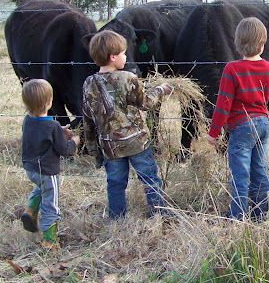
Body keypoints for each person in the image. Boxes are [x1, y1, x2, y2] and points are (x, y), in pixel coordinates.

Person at [206, 16, 269, 220]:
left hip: (241, 127)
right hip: (263, 124)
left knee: (240, 174)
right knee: (259, 170)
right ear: (263, 45)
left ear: (237, 44)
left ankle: (238, 216)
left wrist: (213, 133)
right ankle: (260, 213)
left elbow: (223, 105)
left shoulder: (231, 69)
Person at [82, 29, 174, 219]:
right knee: (149, 178)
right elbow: (146, 103)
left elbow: (88, 119)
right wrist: (160, 89)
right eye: (123, 53)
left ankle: (116, 218)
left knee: (115, 183)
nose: (126, 56)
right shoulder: (127, 78)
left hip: (109, 146)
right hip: (136, 143)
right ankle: (159, 213)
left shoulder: (89, 83)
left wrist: (93, 148)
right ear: (113, 57)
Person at [20, 78, 80, 249]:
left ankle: (30, 210)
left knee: (41, 188)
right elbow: (64, 150)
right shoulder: (52, 125)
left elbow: (40, 134)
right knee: (50, 202)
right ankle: (49, 239)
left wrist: (59, 132)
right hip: (47, 170)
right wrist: (74, 141)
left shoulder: (27, 120)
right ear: (48, 102)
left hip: (30, 168)